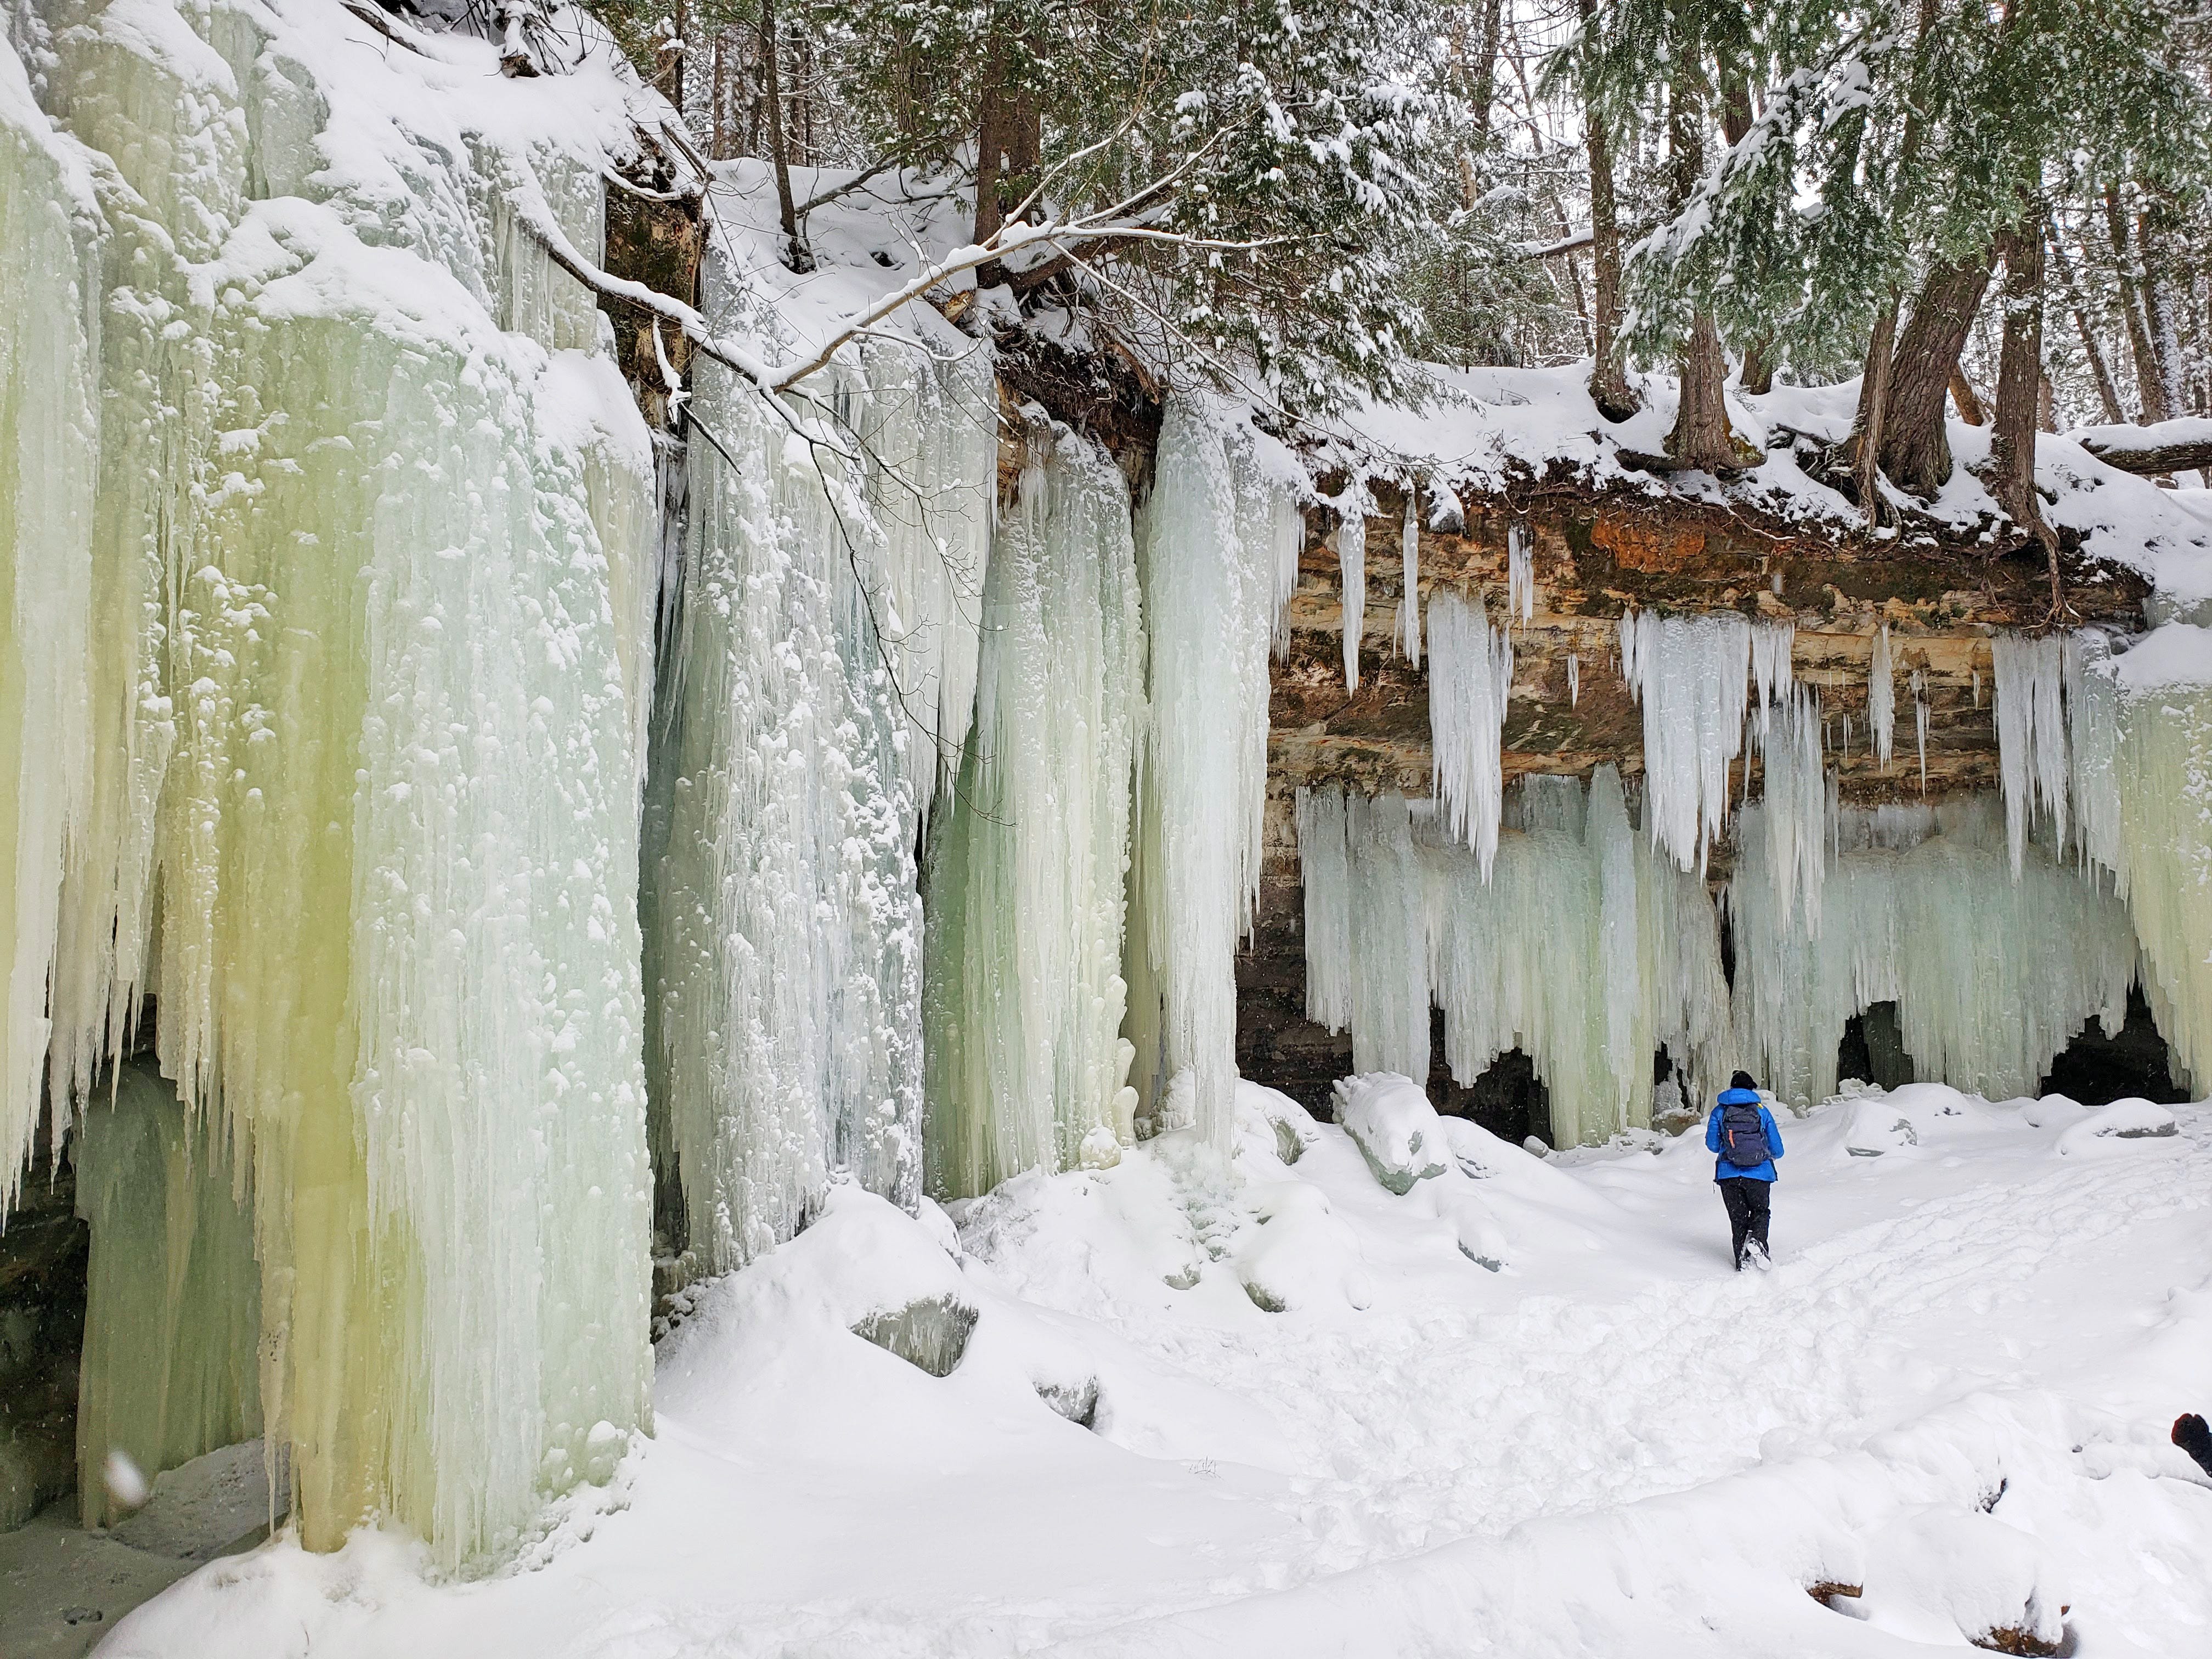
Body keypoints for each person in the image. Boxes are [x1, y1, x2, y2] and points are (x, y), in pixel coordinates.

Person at [1707, 1069, 1784, 1272]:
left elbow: (1713, 1146)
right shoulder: (1761, 1111)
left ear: (1732, 1087)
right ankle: (1758, 1242)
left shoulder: (1720, 1111)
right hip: (1759, 1174)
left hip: (1729, 1176)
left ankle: (1743, 1264)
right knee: (1760, 1211)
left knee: (1738, 1219)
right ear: (1751, 1088)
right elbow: (1778, 1149)